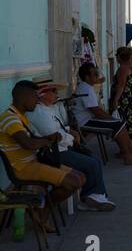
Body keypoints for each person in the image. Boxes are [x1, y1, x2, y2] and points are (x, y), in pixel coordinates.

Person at [27, 79, 114, 211]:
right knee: (92, 164)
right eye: (53, 91)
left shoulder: (48, 109)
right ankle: (91, 198)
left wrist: (69, 131)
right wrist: (71, 137)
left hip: (61, 148)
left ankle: (95, 196)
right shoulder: (39, 112)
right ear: (42, 94)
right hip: (53, 153)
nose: (57, 94)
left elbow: (60, 128)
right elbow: (55, 136)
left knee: (93, 159)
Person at [0, 80, 85, 205]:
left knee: (80, 177)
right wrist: (47, 140)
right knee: (73, 182)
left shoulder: (21, 116)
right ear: (24, 97)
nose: (37, 100)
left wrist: (50, 138)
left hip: (34, 162)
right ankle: (42, 210)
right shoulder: (9, 118)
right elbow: (28, 144)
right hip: (23, 168)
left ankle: (42, 207)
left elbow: (34, 139)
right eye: (35, 96)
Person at [72, 62, 132, 164]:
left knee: (120, 123)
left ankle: (131, 152)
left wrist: (111, 118)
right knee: (117, 124)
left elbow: (96, 110)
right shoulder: (86, 89)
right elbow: (96, 111)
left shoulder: (86, 86)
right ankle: (128, 156)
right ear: (87, 77)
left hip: (89, 119)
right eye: (94, 74)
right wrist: (110, 118)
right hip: (85, 122)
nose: (97, 76)